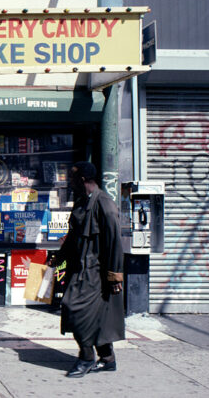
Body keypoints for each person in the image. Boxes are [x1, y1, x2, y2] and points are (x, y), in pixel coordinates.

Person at [47, 161, 124, 378]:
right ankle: (108, 358)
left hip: (96, 273)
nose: (69, 183)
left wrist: (115, 275)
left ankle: (86, 358)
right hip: (80, 269)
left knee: (74, 309)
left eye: (72, 179)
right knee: (95, 317)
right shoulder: (81, 202)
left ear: (82, 180)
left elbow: (114, 243)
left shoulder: (105, 204)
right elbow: (72, 238)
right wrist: (57, 259)